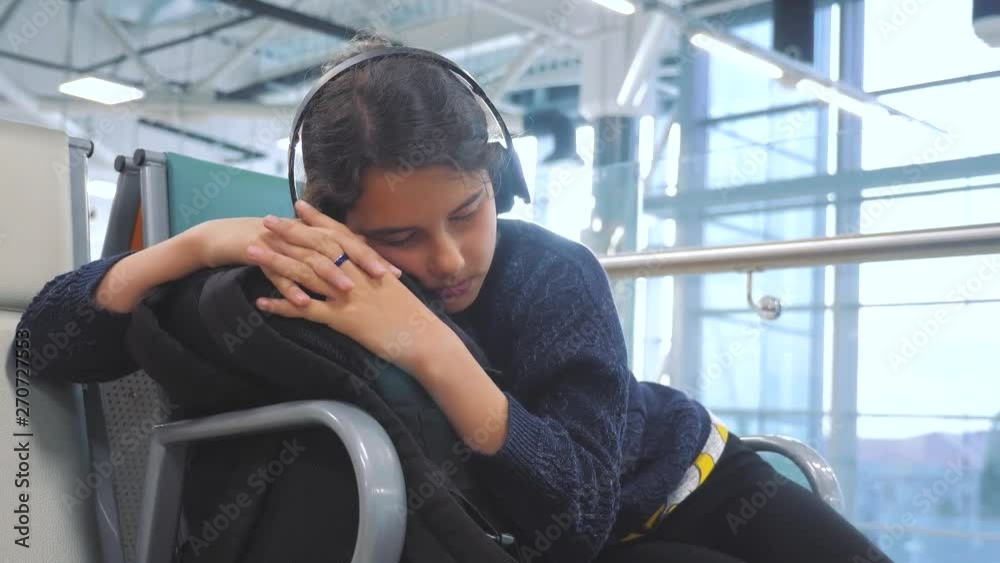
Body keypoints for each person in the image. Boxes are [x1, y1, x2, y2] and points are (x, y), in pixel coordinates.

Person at [16, 34, 891, 563]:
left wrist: (425, 345)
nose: (447, 259)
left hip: (684, 477)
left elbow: (578, 503)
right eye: (399, 238)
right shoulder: (314, 273)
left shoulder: (553, 272)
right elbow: (45, 349)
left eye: (468, 213)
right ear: (330, 219)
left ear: (498, 179)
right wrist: (195, 246)